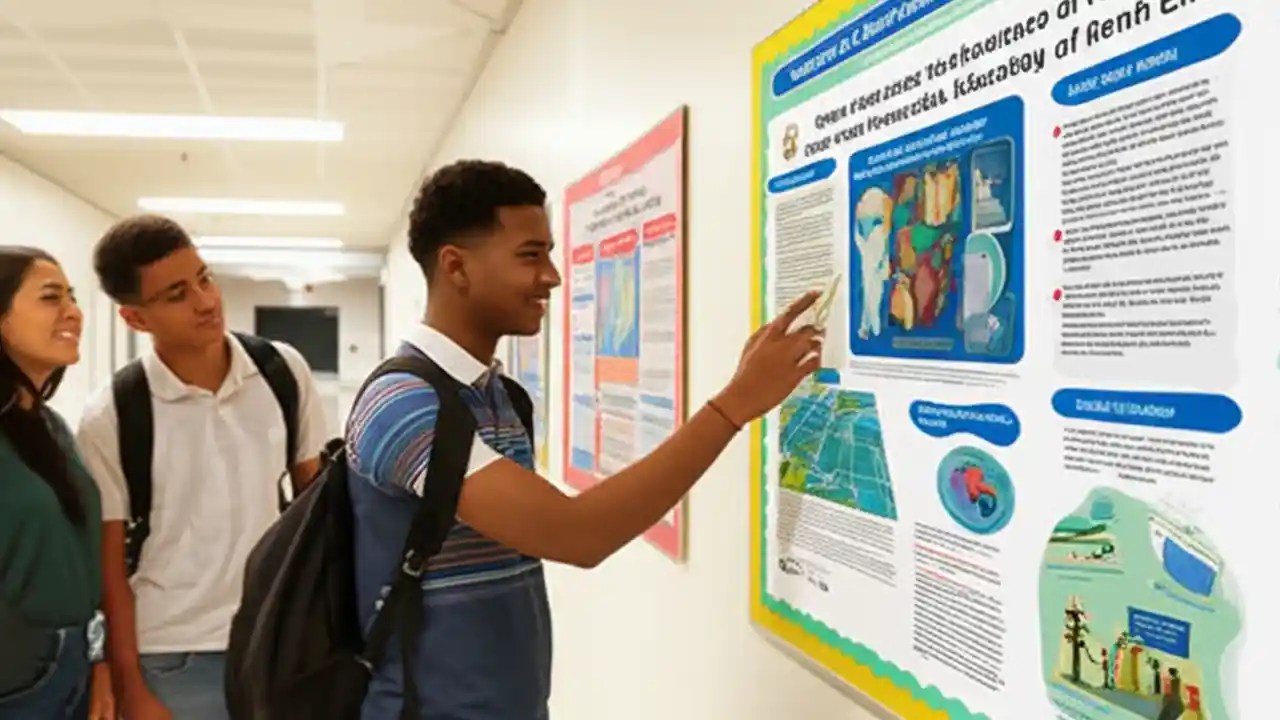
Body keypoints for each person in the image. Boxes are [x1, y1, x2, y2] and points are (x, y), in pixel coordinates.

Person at [346, 160, 823, 719]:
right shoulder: (404, 405)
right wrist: (734, 405)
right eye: (531, 255)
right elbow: (577, 534)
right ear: (456, 267)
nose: (552, 275)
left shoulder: (499, 395)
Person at [75, 216, 329, 719]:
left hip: (278, 640)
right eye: (176, 295)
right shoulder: (112, 414)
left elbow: (318, 512)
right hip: (173, 657)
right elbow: (110, 570)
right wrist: (131, 687)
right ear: (136, 319)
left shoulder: (282, 372)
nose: (206, 301)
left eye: (204, 278)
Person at [0, 246, 114, 719]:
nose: (73, 312)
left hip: (72, 666)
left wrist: (97, 661)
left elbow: (82, 558)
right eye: (51, 298)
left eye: (72, 297)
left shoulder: (50, 427)